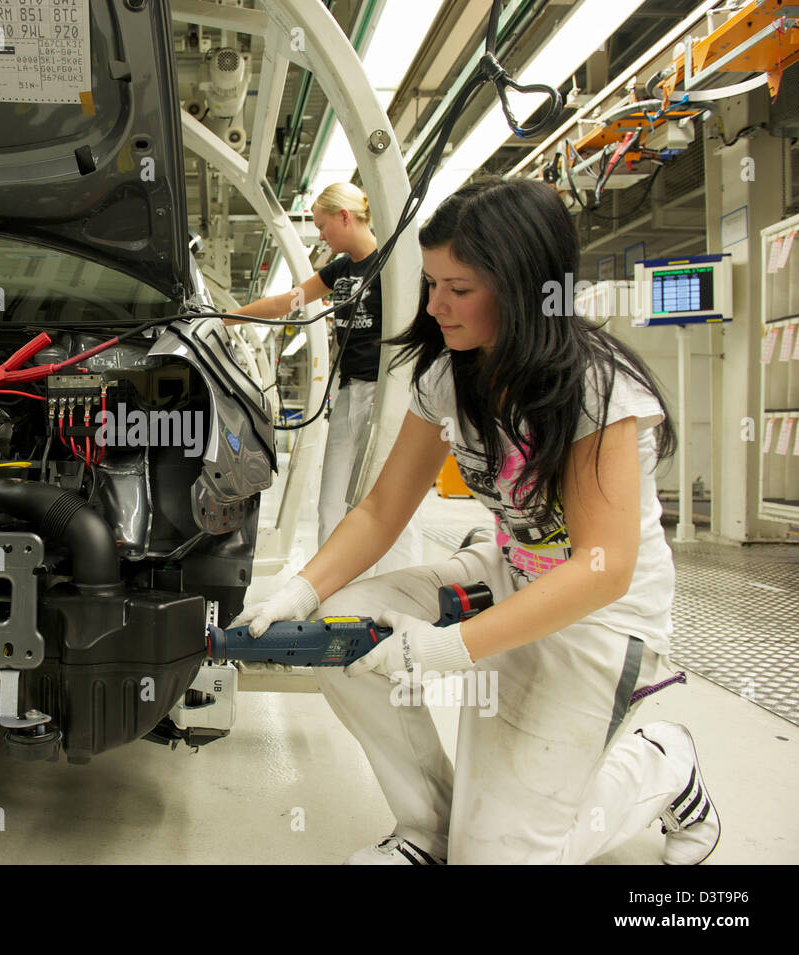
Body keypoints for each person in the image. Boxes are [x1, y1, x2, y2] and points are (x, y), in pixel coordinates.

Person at [231, 176, 719, 865]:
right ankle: (428, 829)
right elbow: (380, 508)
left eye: (457, 289)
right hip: (510, 572)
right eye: (431, 284)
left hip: (598, 619)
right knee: (337, 631)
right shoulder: (451, 373)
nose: (435, 306)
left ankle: (664, 763)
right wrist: (302, 591)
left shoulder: (597, 388)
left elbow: (601, 571)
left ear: (521, 286)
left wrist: (444, 649)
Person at [227, 183, 421, 561]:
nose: (320, 235)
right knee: (331, 501)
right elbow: (288, 301)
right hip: (349, 392)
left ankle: (396, 580)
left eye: (322, 225)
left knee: (390, 498)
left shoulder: (394, 263)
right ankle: (330, 584)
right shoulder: (340, 271)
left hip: (388, 395)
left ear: (345, 217)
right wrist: (228, 317)